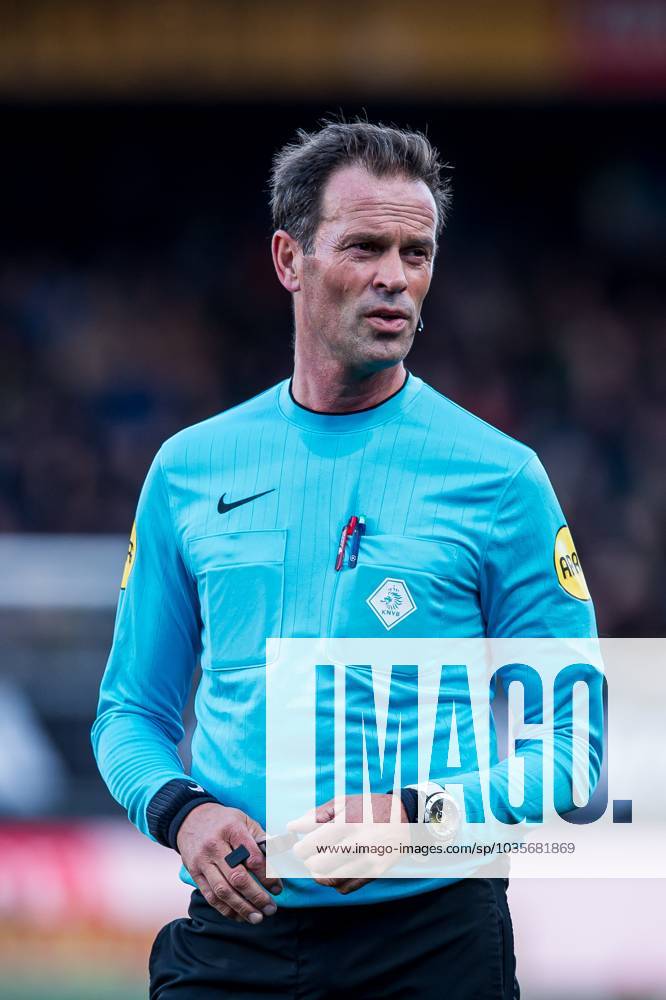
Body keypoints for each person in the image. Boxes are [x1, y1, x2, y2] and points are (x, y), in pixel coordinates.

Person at [92, 120, 601, 999]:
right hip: (236, 941)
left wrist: (412, 820)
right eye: (366, 246)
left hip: (433, 946)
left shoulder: (503, 478)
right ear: (290, 260)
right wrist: (185, 814)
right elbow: (128, 714)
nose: (396, 278)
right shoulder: (188, 470)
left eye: (417, 251)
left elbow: (574, 747)